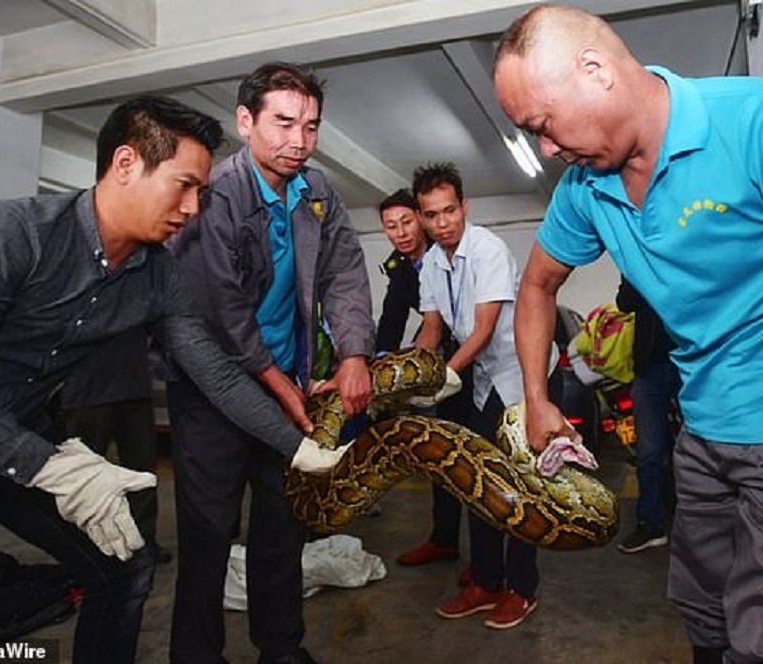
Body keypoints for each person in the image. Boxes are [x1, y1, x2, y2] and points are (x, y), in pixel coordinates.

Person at [494, 5, 763, 662]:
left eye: (543, 126)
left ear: (595, 71)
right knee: (705, 609)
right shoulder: (586, 188)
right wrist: (537, 396)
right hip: (703, 428)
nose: (549, 149)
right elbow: (536, 286)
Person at [0, 95, 224, 663]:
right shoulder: (11, 232)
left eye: (202, 193)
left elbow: (213, 368)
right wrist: (49, 465)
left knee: (125, 569)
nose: (194, 208)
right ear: (125, 164)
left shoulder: (155, 274)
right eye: (184, 185)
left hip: (11, 439)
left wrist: (299, 444)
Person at [167, 62, 374, 664]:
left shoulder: (319, 192)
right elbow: (224, 310)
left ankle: (280, 647)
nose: (298, 141)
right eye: (283, 123)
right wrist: (276, 382)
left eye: (310, 126)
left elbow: (344, 272)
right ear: (244, 121)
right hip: (215, 394)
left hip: (290, 386)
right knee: (207, 538)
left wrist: (355, 352)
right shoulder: (216, 195)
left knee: (283, 530)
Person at [413, 162, 560, 630]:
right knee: (476, 479)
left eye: (449, 211)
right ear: (422, 217)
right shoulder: (432, 263)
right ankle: (486, 581)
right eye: (432, 215)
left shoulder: (488, 250)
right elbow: (432, 330)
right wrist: (409, 374)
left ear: (464, 207)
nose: (443, 223)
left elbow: (483, 330)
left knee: (518, 485)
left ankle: (520, 588)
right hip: (480, 379)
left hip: (522, 375)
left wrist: (441, 378)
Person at [374, 188, 469, 568]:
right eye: (391, 227)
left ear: (422, 218)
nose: (401, 233)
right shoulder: (400, 265)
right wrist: (380, 364)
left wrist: (420, 360)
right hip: (439, 368)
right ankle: (443, 539)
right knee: (441, 459)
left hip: (469, 364)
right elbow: (393, 316)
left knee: (471, 460)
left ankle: (487, 563)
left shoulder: (448, 254)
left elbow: (454, 321)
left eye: (407, 222)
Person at [57, 324, 172, 564]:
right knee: (84, 476)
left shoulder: (136, 288)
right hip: (86, 392)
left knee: (142, 472)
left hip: (134, 387)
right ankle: (86, 547)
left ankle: (142, 542)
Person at [614, 277, 681, 554]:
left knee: (701, 448)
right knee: (649, 452)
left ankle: (704, 526)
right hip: (649, 368)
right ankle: (651, 525)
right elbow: (624, 303)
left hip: (689, 362)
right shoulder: (635, 264)